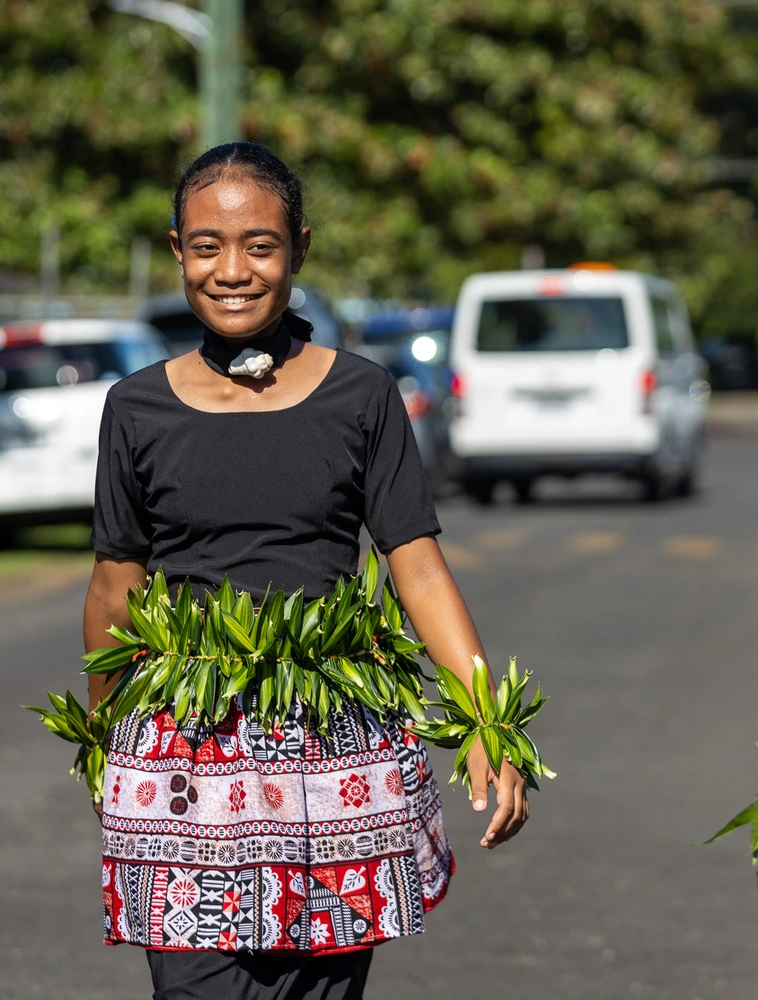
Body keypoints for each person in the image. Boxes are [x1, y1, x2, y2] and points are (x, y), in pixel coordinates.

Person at [83, 141, 529, 1000]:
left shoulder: (359, 396)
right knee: (196, 989)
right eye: (207, 246)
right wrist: (106, 748)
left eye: (260, 245)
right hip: (183, 755)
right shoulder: (134, 408)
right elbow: (115, 586)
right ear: (177, 250)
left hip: (332, 755)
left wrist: (487, 723)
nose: (233, 270)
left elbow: (419, 570)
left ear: (300, 250)